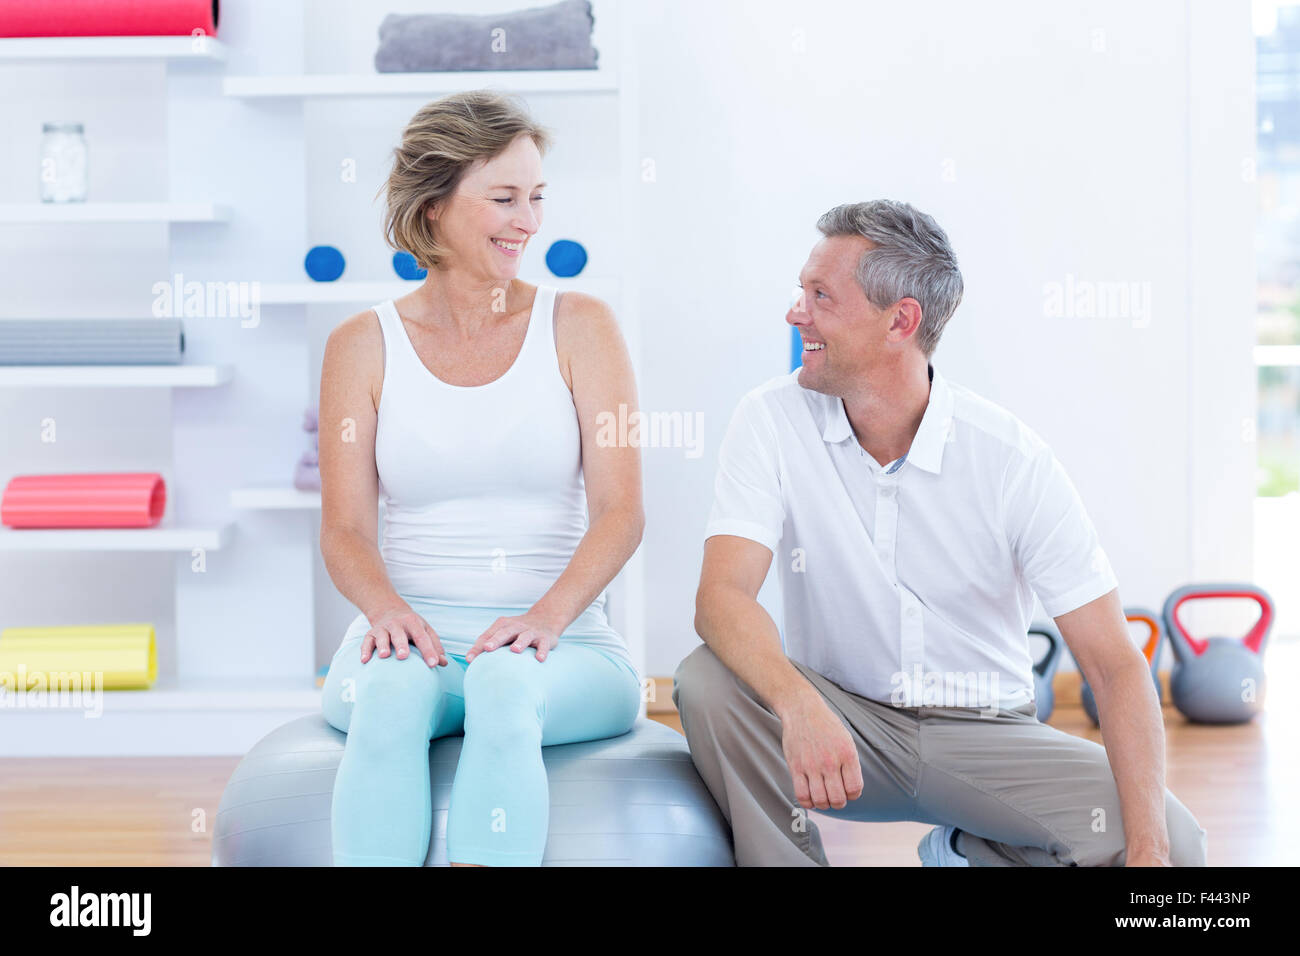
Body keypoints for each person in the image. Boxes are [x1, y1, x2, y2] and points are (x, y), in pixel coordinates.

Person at [675, 199, 1207, 866]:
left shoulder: (1011, 460)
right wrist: (798, 703)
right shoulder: (769, 420)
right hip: (846, 730)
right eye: (800, 291)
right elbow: (721, 598)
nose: (795, 313)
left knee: (1176, 845)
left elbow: (1114, 663)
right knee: (708, 679)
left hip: (988, 741)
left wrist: (1150, 854)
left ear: (901, 320)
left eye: (820, 296)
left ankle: (967, 846)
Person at [317, 90, 644, 866]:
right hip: (412, 635)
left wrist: (546, 620)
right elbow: (344, 529)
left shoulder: (583, 326)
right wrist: (386, 611)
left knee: (502, 683)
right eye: (503, 198)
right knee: (390, 695)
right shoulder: (360, 344)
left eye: (536, 197)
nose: (528, 220)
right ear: (433, 205)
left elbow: (622, 512)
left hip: (565, 645)